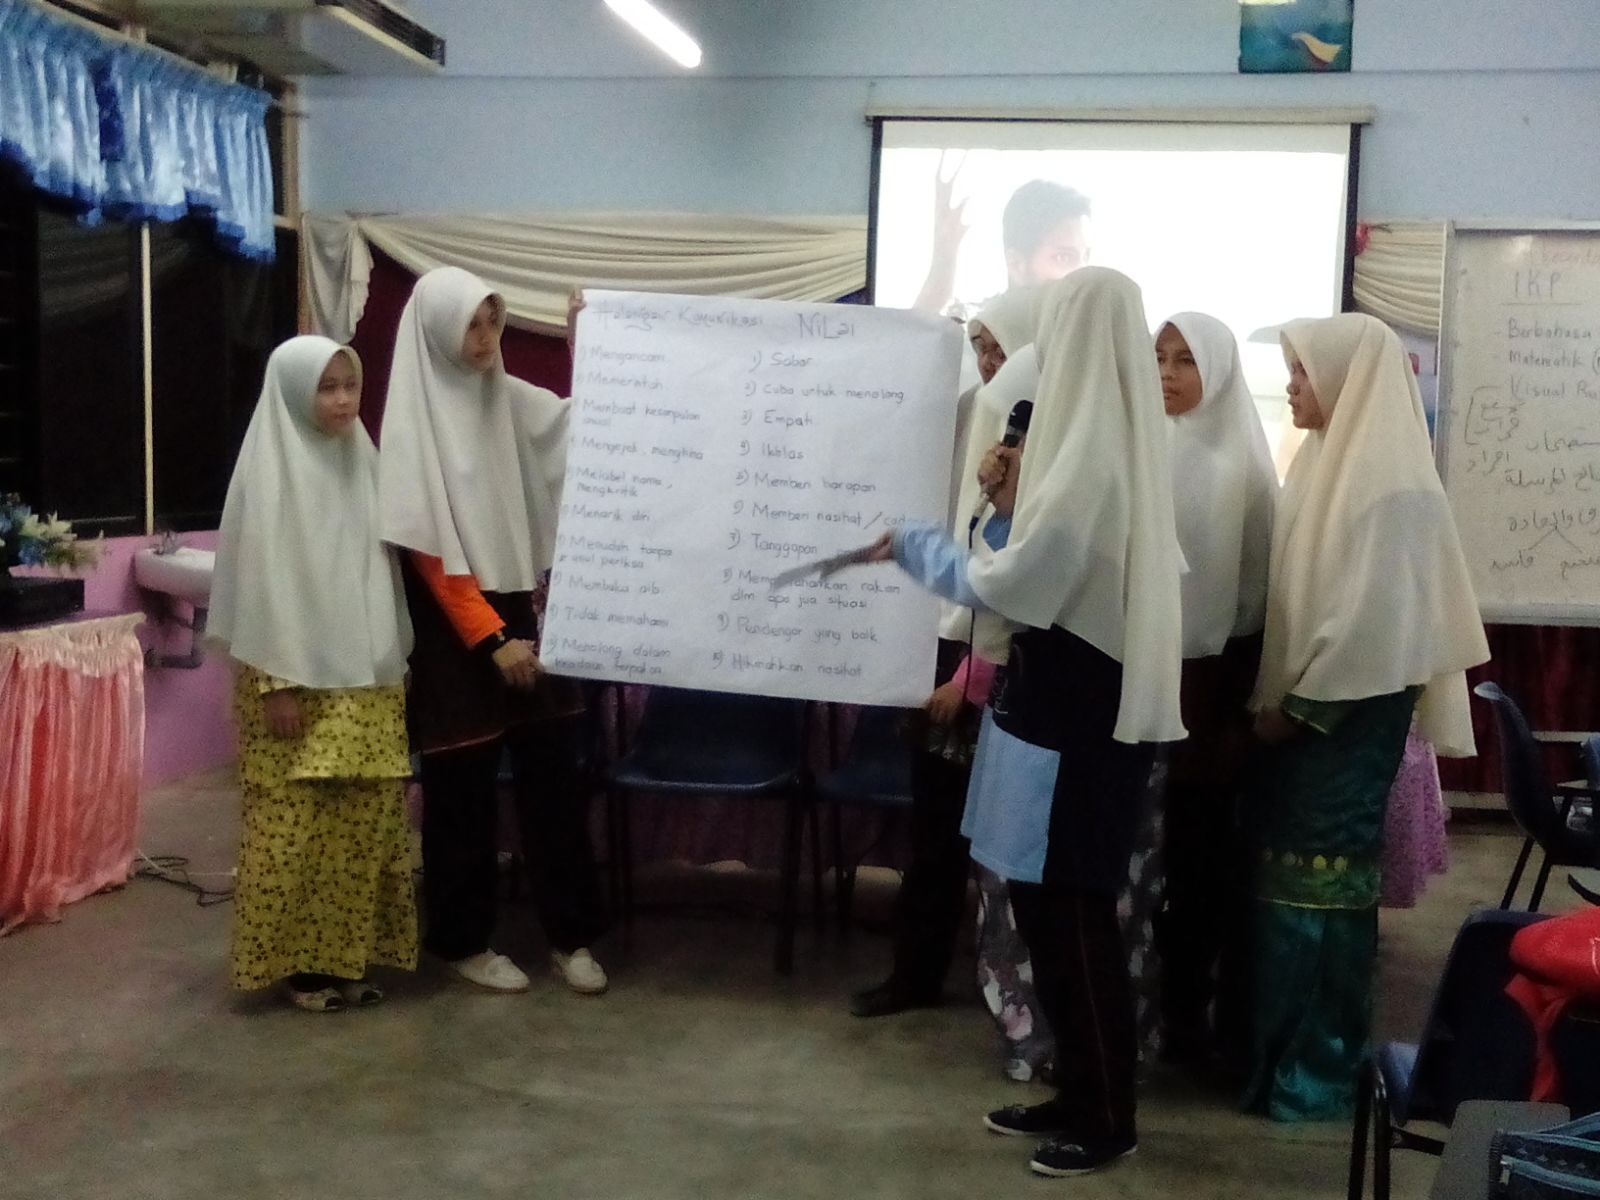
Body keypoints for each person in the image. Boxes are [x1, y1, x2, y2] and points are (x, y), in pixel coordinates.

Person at [864, 267, 1187, 1178]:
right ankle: (1078, 1090)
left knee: (1076, 913)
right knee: (1046, 908)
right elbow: (1039, 565)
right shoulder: (1083, 446)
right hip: (1053, 701)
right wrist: (1005, 507)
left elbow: (1020, 584)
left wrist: (926, 549)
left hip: (1080, 712)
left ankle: (1108, 1115)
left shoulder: (1093, 459)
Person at [1244, 313, 1489, 1121]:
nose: (1291, 386)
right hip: (1302, 719)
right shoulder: (1322, 464)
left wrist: (1294, 713)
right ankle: (1274, 1062)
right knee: (1285, 893)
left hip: (1344, 726)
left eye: (1303, 371)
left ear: (1348, 381)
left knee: (1322, 896)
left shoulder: (1395, 491)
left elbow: (1375, 633)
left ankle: (1314, 1073)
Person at [377, 267, 608, 997]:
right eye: (469, 325)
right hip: (457, 633)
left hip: (525, 612)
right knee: (462, 796)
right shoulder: (413, 428)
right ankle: (463, 941)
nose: (483, 339)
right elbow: (426, 550)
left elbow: (588, 427)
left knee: (554, 786)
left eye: (492, 322)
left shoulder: (509, 399)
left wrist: (589, 345)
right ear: (436, 332)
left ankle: (571, 936)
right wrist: (491, 639)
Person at [849, 288, 1041, 1024]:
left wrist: (971, 674)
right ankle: (917, 973)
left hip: (1000, 676)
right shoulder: (976, 415)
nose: (989, 360)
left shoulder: (1040, 439)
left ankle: (1014, 992)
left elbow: (1016, 578)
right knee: (933, 831)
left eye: (1001, 347)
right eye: (980, 346)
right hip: (954, 651)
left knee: (999, 844)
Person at [209, 336, 417, 1012]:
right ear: (294, 393)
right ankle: (301, 971)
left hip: (366, 683)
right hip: (293, 684)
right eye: (327, 387)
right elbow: (260, 585)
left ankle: (347, 960)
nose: (343, 400)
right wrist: (277, 682)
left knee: (365, 827)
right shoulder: (269, 475)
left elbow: (381, 573)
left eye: (350, 385)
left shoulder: (363, 461)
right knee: (293, 832)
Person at [1150, 313, 1278, 1062]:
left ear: (1220, 372)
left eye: (1185, 360)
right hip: (1145, 684)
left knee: (1197, 861)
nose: (1166, 374)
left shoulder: (1242, 471)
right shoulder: (1147, 451)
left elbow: (1254, 606)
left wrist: (1225, 710)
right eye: (1159, 357)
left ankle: (1188, 1013)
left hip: (1210, 696)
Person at [914, 173, 1092, 316]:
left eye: (1085, 257)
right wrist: (942, 265)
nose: (1084, 274)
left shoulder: (1093, 332)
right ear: (1016, 263)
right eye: (1063, 257)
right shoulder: (975, 328)